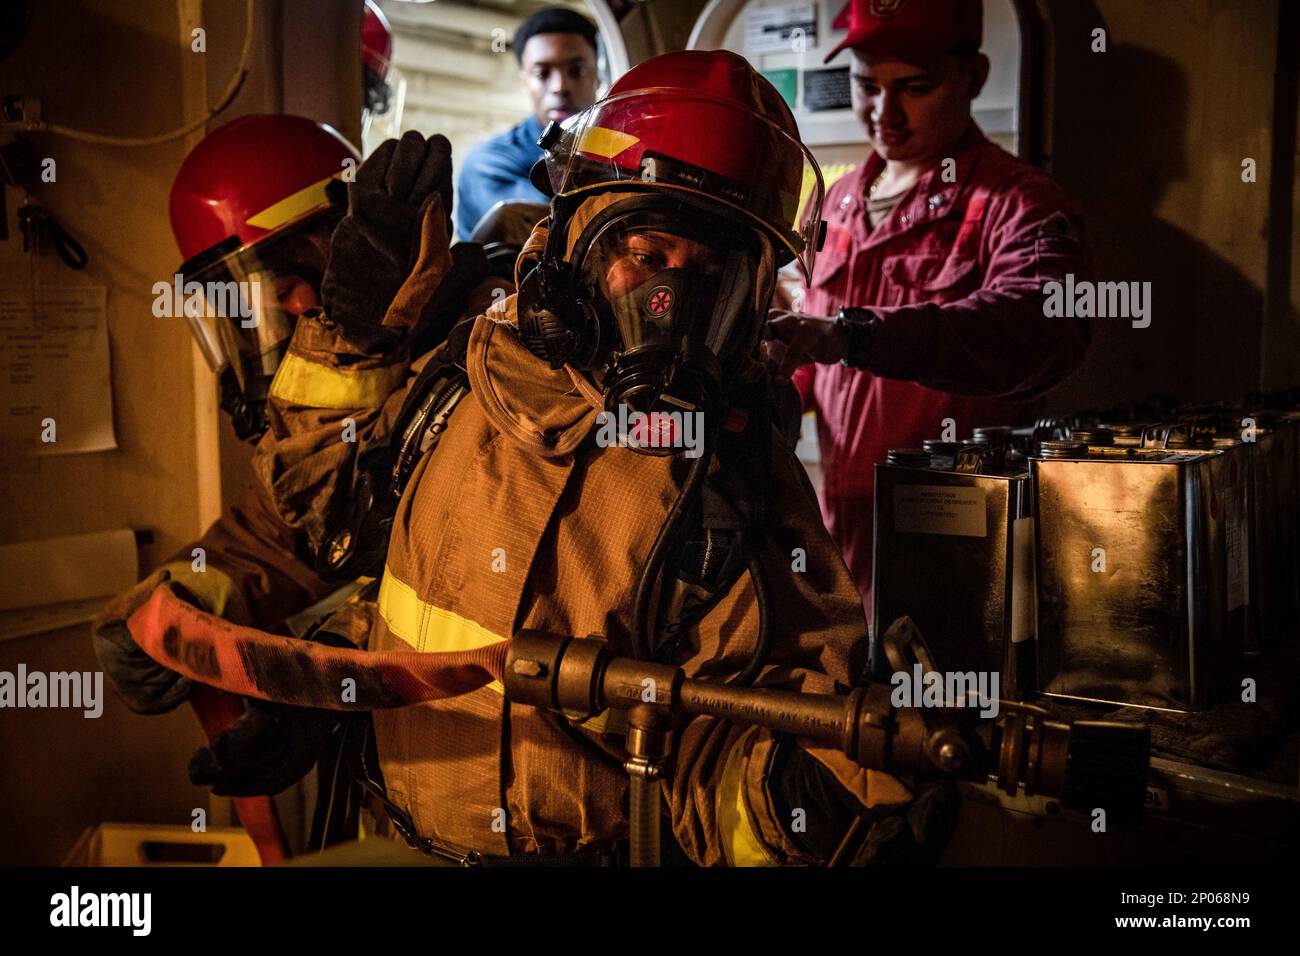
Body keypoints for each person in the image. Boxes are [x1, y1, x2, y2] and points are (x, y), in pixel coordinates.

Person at [102, 52, 960, 866]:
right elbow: (338, 534)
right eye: (645, 254)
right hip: (391, 829)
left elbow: (722, 747)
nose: (668, 302)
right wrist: (303, 678)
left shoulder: (724, 484)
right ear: (575, 237)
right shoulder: (456, 381)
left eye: (713, 279)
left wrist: (804, 801)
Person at [764, 0, 1091, 617]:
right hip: (849, 533)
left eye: (914, 87)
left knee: (956, 694)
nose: (884, 113)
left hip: (967, 539)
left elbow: (1033, 330)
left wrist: (846, 335)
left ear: (974, 79)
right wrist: (773, 373)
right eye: (867, 86)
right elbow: (817, 367)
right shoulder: (834, 202)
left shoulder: (1020, 205)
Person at [454, 6, 600, 239]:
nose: (560, 87)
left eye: (576, 70)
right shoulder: (487, 164)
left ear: (596, 76)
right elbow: (544, 230)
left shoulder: (618, 154)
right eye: (542, 73)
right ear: (525, 82)